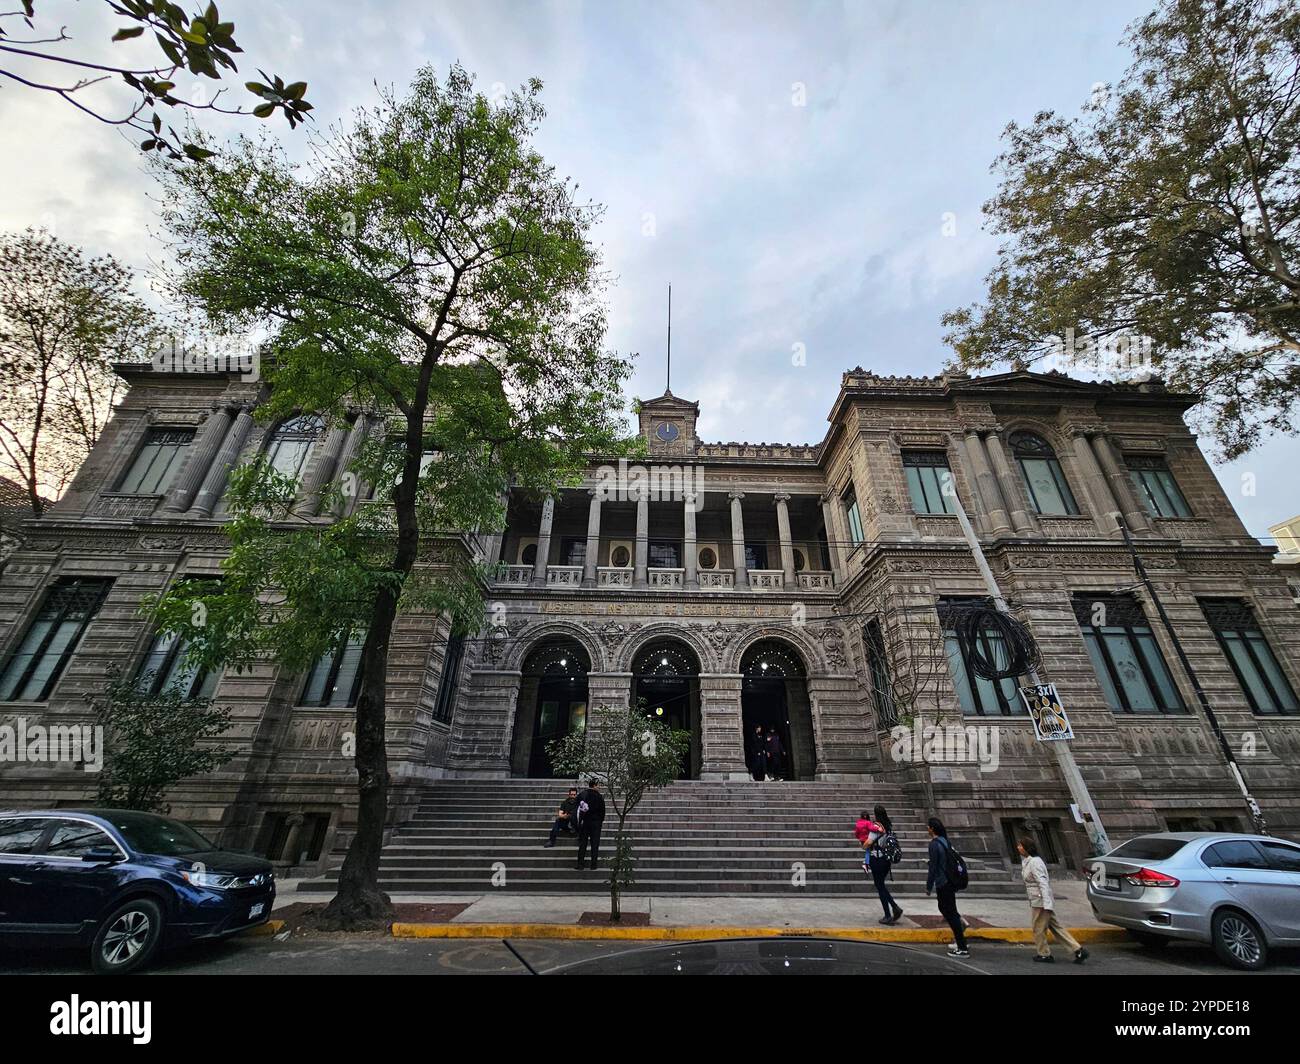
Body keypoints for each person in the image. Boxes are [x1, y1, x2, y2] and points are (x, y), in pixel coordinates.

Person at [1018, 837, 1088, 964]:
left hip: (1040, 900)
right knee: (1056, 927)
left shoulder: (1035, 862)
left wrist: (1047, 903)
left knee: (1038, 928)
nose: (1018, 848)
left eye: (1021, 846)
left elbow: (1043, 883)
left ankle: (1044, 954)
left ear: (1027, 848)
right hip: (1037, 898)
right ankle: (1077, 950)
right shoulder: (1029, 861)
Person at [925, 816, 969, 957]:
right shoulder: (945, 841)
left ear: (932, 829)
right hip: (950, 880)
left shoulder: (934, 844)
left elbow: (933, 867)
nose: (927, 828)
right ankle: (960, 932)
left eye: (928, 826)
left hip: (943, 881)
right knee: (948, 909)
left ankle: (962, 947)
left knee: (947, 910)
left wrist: (929, 885)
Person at [865, 804, 904, 925]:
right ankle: (894, 908)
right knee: (880, 885)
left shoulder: (876, 827)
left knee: (880, 886)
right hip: (886, 859)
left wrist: (863, 845)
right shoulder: (888, 826)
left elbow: (868, 843)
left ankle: (888, 914)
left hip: (877, 859)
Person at [574, 779, 606, 870]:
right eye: (598, 785)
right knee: (595, 844)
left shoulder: (583, 794)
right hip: (596, 823)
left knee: (583, 844)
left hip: (585, 822)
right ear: (594, 785)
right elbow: (603, 811)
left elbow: (576, 805)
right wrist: (600, 821)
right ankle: (593, 865)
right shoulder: (599, 796)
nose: (599, 787)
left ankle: (580, 864)